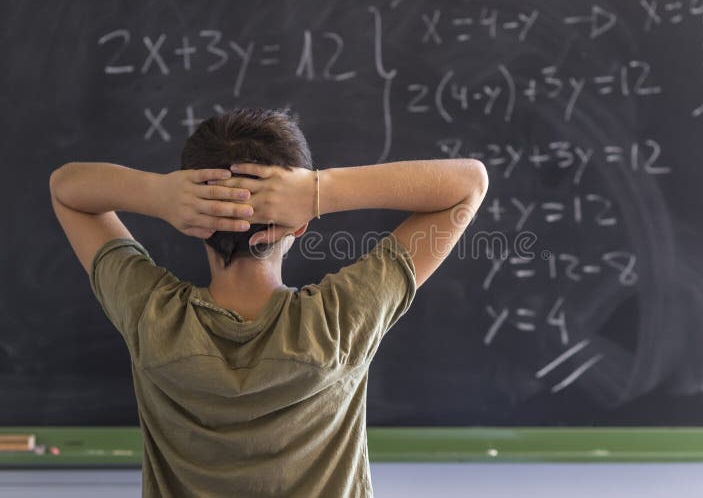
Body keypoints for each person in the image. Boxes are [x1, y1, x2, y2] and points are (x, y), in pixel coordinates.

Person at [49, 108, 488, 497]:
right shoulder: (340, 322)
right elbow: (468, 183)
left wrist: (158, 194)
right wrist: (319, 191)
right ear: (298, 227)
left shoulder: (153, 317)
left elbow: (66, 188)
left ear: (194, 225)